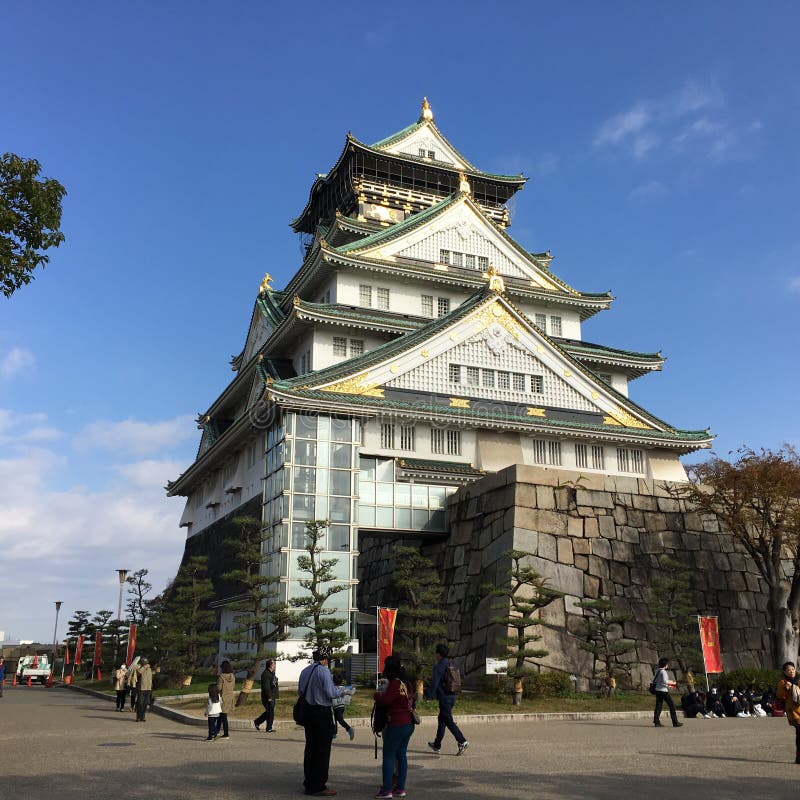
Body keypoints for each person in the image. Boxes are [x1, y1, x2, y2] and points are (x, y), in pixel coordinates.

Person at [297, 647, 345, 797]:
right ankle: (318, 785)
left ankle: (309, 782)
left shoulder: (305, 670)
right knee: (322, 750)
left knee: (310, 748)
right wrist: (341, 692)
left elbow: (300, 691)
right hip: (321, 712)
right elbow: (331, 693)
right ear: (326, 659)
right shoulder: (323, 671)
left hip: (308, 712)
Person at [373, 655, 415, 799]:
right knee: (401, 756)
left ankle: (386, 790)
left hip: (397, 723)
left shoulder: (395, 684)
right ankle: (400, 788)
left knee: (389, 756)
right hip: (408, 723)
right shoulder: (406, 682)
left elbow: (385, 700)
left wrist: (376, 695)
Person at [424, 643, 469, 755]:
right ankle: (437, 745)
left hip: (445, 697)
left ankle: (462, 741)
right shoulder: (451, 663)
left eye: (436, 653)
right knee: (442, 720)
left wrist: (428, 696)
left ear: (438, 654)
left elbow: (434, 683)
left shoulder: (439, 666)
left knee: (448, 720)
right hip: (452, 696)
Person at [776, 661, 800, 764]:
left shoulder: (799, 680)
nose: (791, 672)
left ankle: (798, 757)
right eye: (789, 670)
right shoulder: (783, 682)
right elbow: (779, 695)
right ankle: (799, 757)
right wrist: (786, 688)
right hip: (793, 712)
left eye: (793, 669)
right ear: (784, 672)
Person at [652, 657, 682, 728]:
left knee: (658, 706)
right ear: (665, 665)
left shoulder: (658, 671)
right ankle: (675, 722)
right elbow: (665, 681)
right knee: (672, 706)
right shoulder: (663, 672)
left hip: (657, 690)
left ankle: (656, 721)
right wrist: (674, 683)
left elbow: (656, 681)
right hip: (663, 691)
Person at [254, 658, 278, 733]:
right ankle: (268, 728)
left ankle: (258, 722)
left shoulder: (272, 673)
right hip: (268, 697)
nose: (274, 665)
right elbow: (266, 687)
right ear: (270, 665)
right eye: (273, 664)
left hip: (272, 695)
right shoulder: (265, 674)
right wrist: (270, 697)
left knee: (269, 711)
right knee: (270, 712)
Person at [216, 660, 235, 739]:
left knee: (223, 716)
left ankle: (226, 733)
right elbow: (233, 686)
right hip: (230, 697)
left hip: (223, 698)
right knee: (221, 715)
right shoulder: (232, 676)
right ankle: (216, 731)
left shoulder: (221, 676)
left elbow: (219, 688)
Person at [332, 673, 354, 742]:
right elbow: (352, 690)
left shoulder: (332, 688)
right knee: (334, 720)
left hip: (336, 707)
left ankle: (349, 729)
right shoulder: (344, 688)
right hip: (341, 706)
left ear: (333, 681)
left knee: (340, 719)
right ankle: (334, 733)